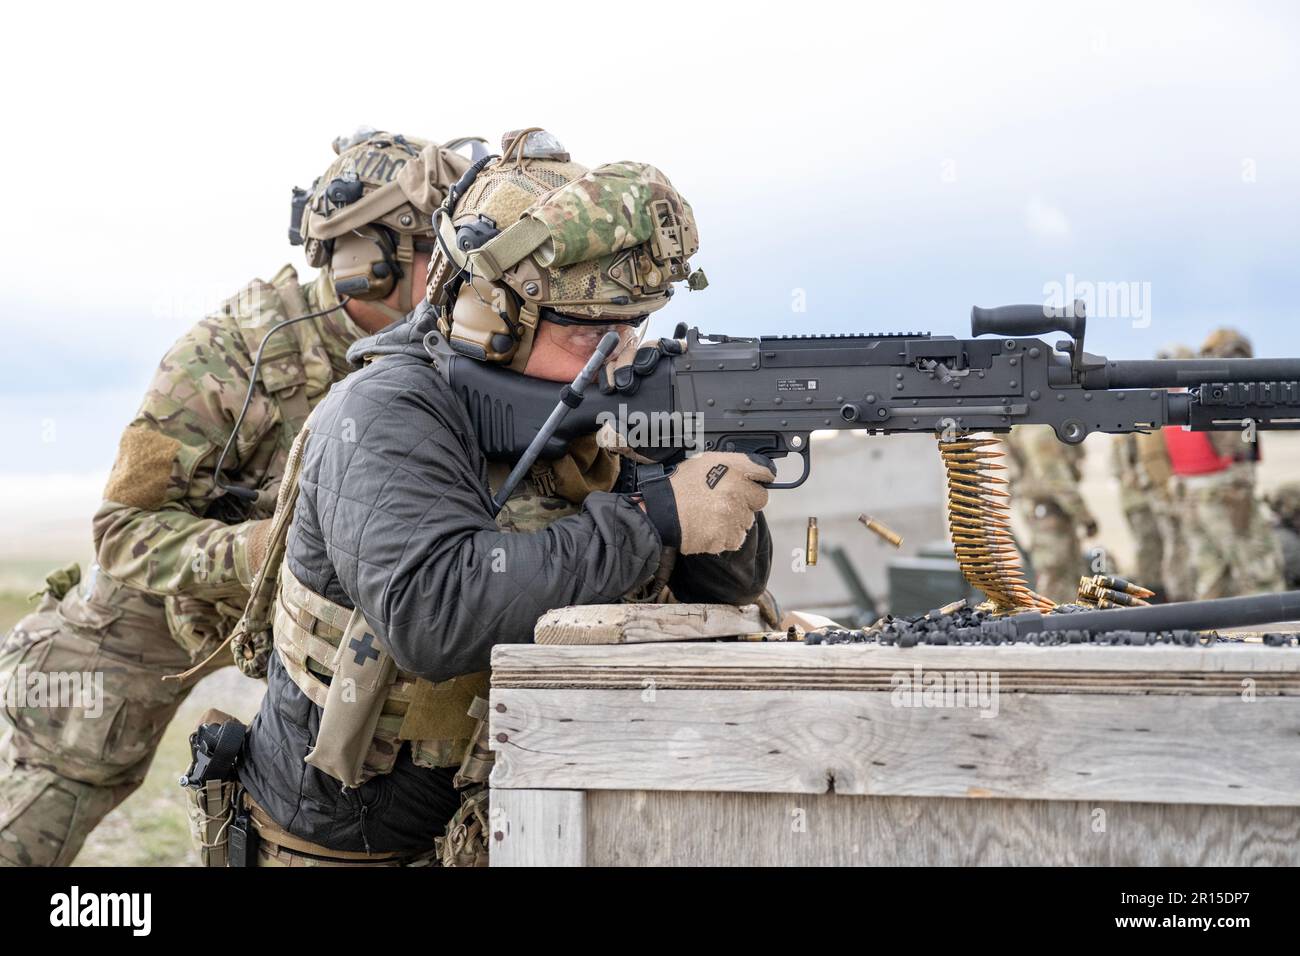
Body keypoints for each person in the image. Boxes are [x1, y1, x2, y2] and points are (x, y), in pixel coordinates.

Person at [229, 129, 774, 866]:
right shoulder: (382, 414)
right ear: (490, 318)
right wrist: (652, 517)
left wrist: (706, 482)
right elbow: (437, 611)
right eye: (591, 335)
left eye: (632, 326)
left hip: (522, 821)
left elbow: (731, 585)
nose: (620, 355)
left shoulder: (597, 400)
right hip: (351, 848)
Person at [0, 129, 478, 866]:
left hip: (317, 626)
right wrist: (269, 548)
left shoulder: (455, 355)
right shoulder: (232, 351)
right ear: (366, 264)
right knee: (54, 793)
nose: (459, 281)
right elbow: (123, 530)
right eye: (436, 257)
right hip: (159, 617)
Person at [1163, 328, 1283, 599]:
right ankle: (1276, 631)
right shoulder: (1220, 384)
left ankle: (1213, 635)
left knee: (1210, 576)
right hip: (1226, 489)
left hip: (1189, 491)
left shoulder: (1183, 385)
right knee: (1260, 571)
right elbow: (1235, 444)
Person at [1004, 425, 1097, 603]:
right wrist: (1084, 515)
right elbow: (1056, 479)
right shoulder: (1040, 431)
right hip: (1049, 513)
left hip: (1052, 512)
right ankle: (1052, 625)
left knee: (1069, 576)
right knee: (1056, 576)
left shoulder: (1034, 428)